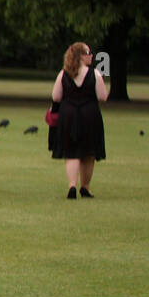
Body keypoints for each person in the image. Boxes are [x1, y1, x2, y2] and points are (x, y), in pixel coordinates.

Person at [51, 42, 108, 198]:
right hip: (90, 114)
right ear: (81, 56)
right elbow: (103, 96)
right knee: (89, 153)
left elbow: (56, 96)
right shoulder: (94, 74)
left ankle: (72, 185)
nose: (91, 56)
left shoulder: (63, 74)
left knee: (71, 153)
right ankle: (85, 186)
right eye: (88, 53)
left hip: (68, 115)